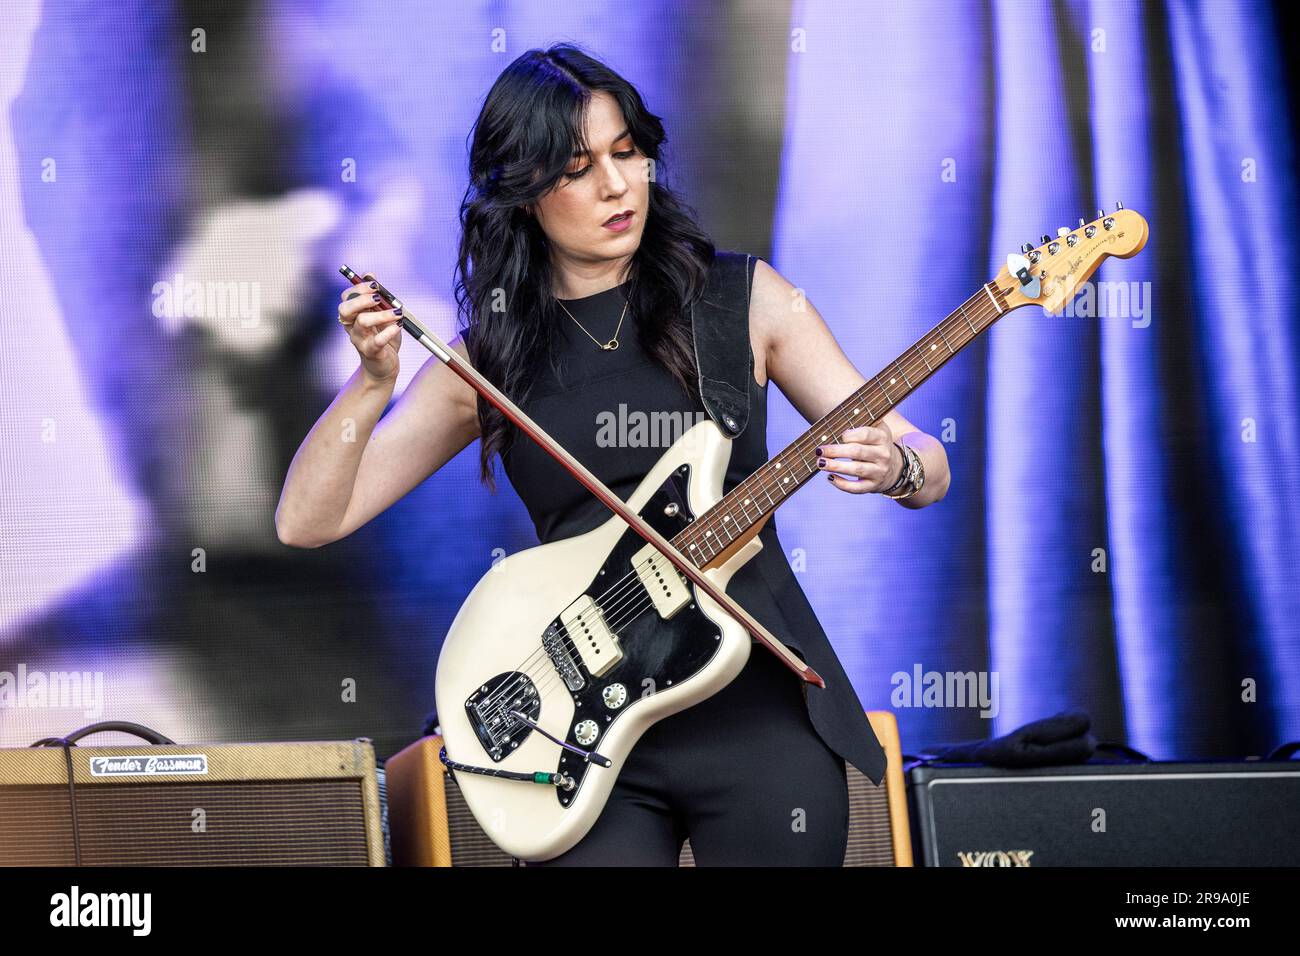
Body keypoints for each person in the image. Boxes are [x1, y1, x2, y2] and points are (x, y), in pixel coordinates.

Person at [276, 43, 950, 866]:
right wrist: (373, 382)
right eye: (576, 167)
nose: (616, 184)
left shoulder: (743, 298)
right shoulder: (488, 360)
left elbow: (922, 454)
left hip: (757, 712)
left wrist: (900, 467)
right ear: (522, 194)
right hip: (585, 733)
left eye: (627, 152)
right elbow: (309, 520)